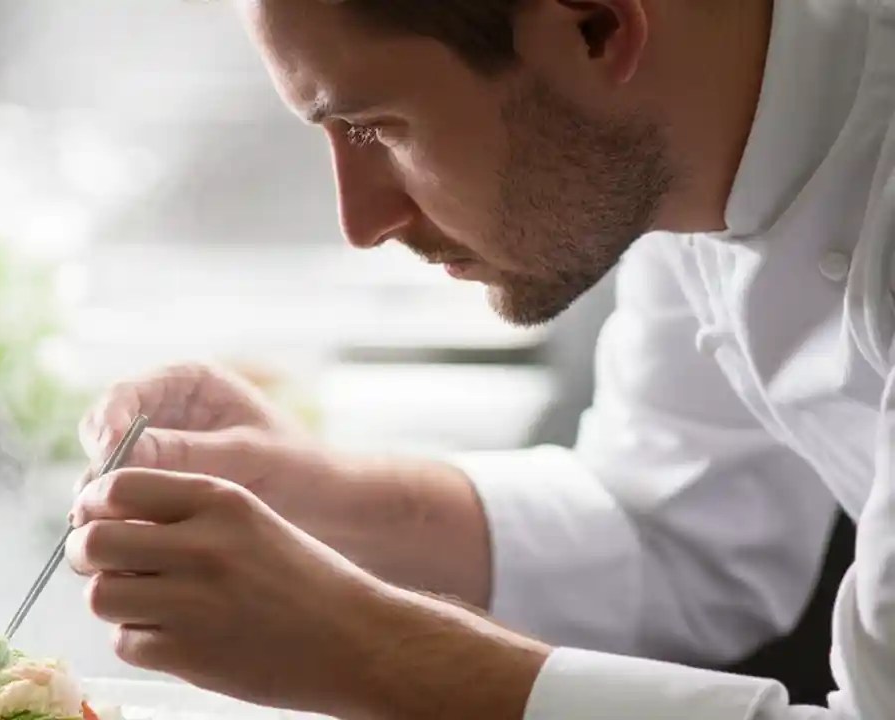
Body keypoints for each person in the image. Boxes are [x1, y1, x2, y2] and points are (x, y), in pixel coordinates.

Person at [63, 0, 895, 717]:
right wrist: (316, 496)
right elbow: (678, 534)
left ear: (594, 27)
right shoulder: (670, 149)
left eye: (377, 127)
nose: (364, 221)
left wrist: (365, 649)